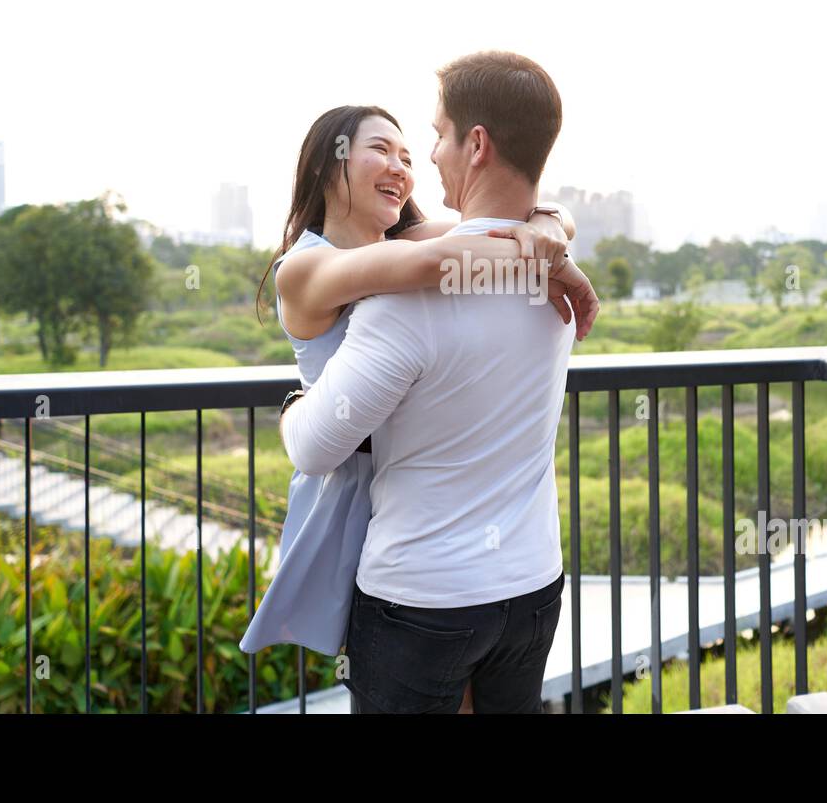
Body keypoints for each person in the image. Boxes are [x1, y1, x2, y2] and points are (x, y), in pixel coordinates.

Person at [238, 100, 597, 716]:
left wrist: (548, 223)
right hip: (349, 491)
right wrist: (547, 254)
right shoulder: (306, 266)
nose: (402, 167)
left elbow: (501, 227)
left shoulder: (401, 239)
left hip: (406, 493)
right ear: (331, 165)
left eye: (408, 155)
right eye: (380, 149)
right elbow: (438, 263)